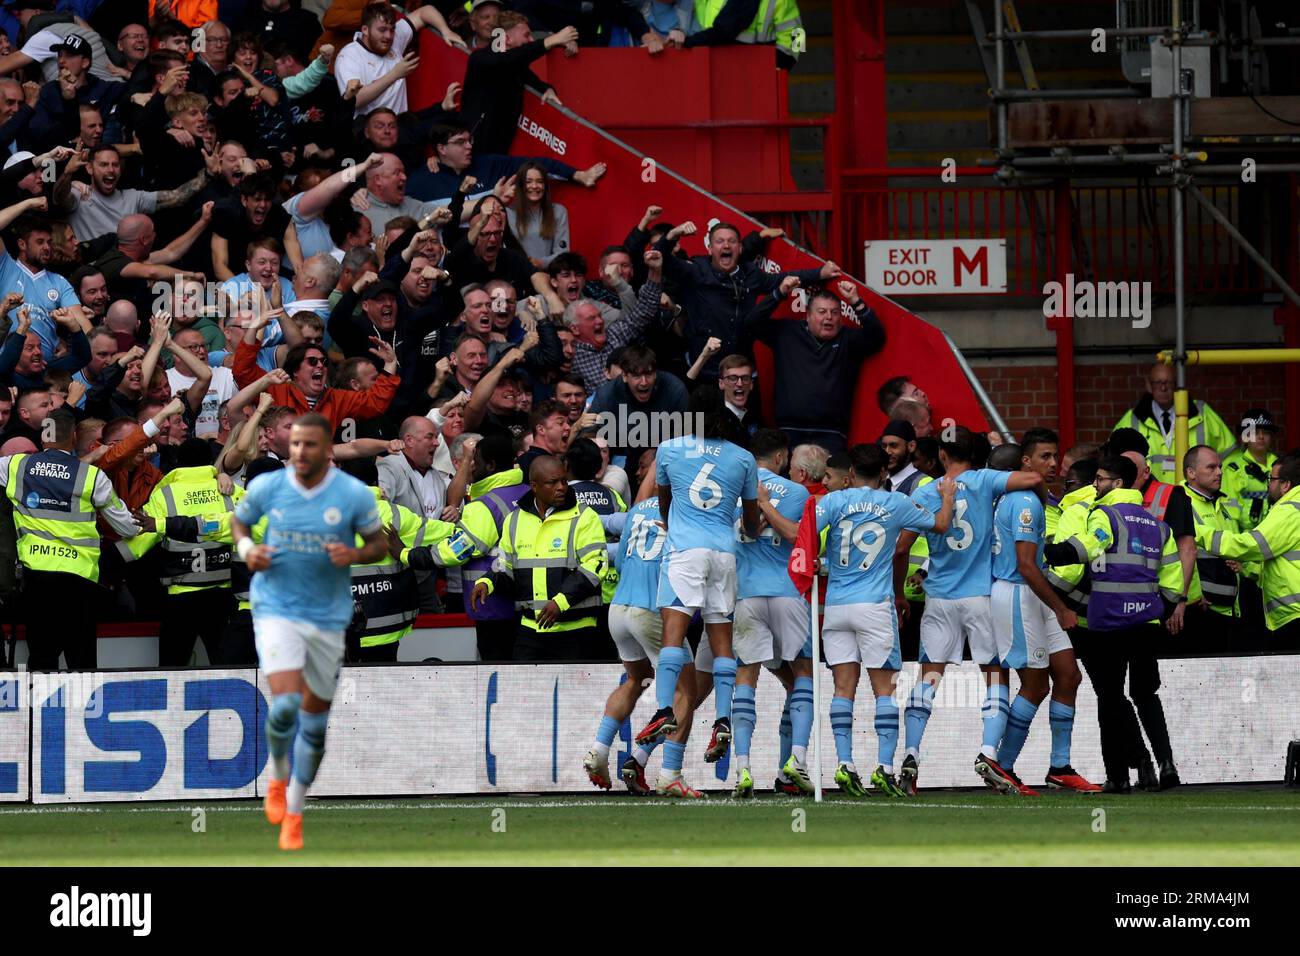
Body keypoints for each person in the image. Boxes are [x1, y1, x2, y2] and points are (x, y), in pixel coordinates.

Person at [233, 412, 387, 851]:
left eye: (309, 445)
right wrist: (248, 549)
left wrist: (353, 554)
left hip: (327, 614)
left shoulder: (352, 494)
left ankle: (295, 812)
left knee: (315, 726)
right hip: (277, 608)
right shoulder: (268, 486)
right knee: (284, 707)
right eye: (295, 445)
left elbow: (379, 544)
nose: (300, 452)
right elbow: (239, 523)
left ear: (327, 450)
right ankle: (279, 778)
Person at [893, 425, 1043, 793]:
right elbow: (1034, 476)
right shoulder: (985, 480)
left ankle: (911, 754)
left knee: (929, 677)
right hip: (980, 598)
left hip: (940, 599)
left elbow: (900, 548)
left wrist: (898, 593)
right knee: (994, 676)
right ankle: (988, 752)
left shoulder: (928, 492)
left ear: (941, 456)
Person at [813, 443, 954, 797]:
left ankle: (844, 764)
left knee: (842, 688)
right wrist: (948, 496)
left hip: (837, 607)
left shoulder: (831, 502)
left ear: (849, 475)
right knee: (885, 689)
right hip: (875, 606)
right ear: (884, 473)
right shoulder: (896, 503)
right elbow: (940, 524)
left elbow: (804, 538)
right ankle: (884, 767)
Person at [634, 401, 759, 791]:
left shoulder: (671, 449)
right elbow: (752, 518)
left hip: (685, 550)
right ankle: (722, 718)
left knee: (675, 632)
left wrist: (673, 526)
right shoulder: (743, 457)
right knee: (721, 640)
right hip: (723, 552)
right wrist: (748, 530)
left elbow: (664, 498)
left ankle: (664, 710)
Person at [1045, 455, 1184, 793]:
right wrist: (1156, 609)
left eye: (1102, 479)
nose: (1096, 484)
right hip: (1146, 622)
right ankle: (1167, 765)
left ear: (1118, 483)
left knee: (1110, 698)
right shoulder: (1157, 524)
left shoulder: (1104, 515)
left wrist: (1054, 553)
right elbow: (1173, 582)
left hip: (1108, 621)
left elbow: (1093, 544)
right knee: (1146, 694)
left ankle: (1118, 777)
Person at [987, 431, 1100, 794]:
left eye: (1056, 456)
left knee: (1068, 676)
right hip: (1020, 596)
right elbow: (1025, 565)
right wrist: (1061, 607)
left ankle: (1060, 767)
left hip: (1034, 595)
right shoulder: (1025, 502)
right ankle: (1002, 767)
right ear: (1025, 462)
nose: (1053, 464)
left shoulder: (1037, 499)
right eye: (1045, 457)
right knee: (1035, 685)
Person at [0, 407, 139, 669]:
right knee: (82, 659)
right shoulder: (92, 476)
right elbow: (128, 529)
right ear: (74, 438)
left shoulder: (15, 466)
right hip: (80, 580)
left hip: (37, 578)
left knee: (41, 659)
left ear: (43, 437)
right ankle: (83, 710)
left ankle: (41, 710)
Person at [728, 429, 817, 797]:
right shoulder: (797, 492)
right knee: (802, 676)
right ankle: (795, 760)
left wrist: (758, 506)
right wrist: (767, 507)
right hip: (787, 594)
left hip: (746, 595)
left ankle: (743, 769)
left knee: (746, 678)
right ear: (781, 458)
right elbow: (799, 535)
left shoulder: (734, 489)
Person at [653, 219, 834, 382]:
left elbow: (783, 279)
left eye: (732, 241)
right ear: (710, 248)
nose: (726, 245)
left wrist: (820, 273)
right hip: (704, 372)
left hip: (743, 374)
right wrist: (672, 234)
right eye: (720, 241)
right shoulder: (695, 271)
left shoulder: (751, 274)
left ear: (740, 248)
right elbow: (659, 258)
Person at [469, 454, 607, 661]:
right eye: (553, 482)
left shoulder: (585, 516)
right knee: (525, 692)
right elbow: (505, 564)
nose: (561, 487)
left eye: (564, 480)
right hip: (531, 629)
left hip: (577, 629)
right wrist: (487, 581)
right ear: (534, 486)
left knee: (575, 694)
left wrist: (560, 602)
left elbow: (596, 565)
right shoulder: (514, 520)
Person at [122, 437, 239, 666]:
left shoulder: (165, 494)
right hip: (221, 594)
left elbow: (143, 537)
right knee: (228, 667)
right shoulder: (230, 490)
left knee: (172, 668)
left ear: (179, 462)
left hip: (180, 596)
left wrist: (112, 559)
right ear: (209, 462)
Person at [586, 487, 668, 795]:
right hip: (650, 611)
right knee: (687, 690)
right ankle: (647, 762)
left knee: (637, 679)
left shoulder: (637, 511)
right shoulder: (686, 511)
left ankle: (600, 748)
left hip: (618, 609)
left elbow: (618, 561)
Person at [746, 280, 885, 454]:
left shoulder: (847, 339)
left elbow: (877, 336)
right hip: (789, 431)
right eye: (822, 312)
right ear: (808, 315)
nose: (829, 317)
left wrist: (855, 300)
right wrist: (779, 292)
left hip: (832, 434)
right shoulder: (786, 332)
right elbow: (752, 322)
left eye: (835, 313)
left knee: (831, 481)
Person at [1196, 453, 1300, 650]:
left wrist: (1197, 532)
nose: (1268, 485)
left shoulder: (1290, 510)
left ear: (1286, 485)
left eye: (1272, 479)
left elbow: (1251, 545)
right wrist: (1246, 567)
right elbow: (1284, 561)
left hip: (1295, 615)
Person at [458, 12, 575, 154]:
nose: (531, 40)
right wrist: (552, 40)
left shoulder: (514, 65)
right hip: (472, 150)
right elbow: (507, 60)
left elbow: (528, 76)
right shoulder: (481, 59)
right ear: (507, 38)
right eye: (526, 35)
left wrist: (546, 89)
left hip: (499, 151)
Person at [333, 1, 465, 117]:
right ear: (365, 30)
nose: (388, 36)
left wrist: (446, 31)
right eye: (382, 30)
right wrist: (395, 74)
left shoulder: (394, 38)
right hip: (369, 134)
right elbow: (355, 100)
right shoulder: (349, 56)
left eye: (392, 30)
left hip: (398, 129)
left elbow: (425, 11)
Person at [1111, 362, 1234, 484]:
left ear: (1177, 384)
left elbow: (1230, 456)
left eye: (1168, 382)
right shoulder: (1132, 419)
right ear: (1148, 385)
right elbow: (1113, 462)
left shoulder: (1203, 413)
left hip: (1194, 499)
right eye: (1158, 383)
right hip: (1148, 499)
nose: (1163, 388)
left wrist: (1218, 490)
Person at [376, 415, 447, 611]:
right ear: (409, 440)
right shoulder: (389, 466)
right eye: (430, 437)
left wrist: (452, 512)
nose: (436, 442)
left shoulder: (437, 477)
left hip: (427, 571)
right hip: (397, 570)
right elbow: (382, 510)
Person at [1180, 444, 1242, 650]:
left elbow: (1232, 549)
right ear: (1191, 473)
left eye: (1220, 467)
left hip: (1230, 608)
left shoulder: (1221, 504)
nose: (1219, 472)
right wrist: (1193, 596)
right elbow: (1180, 555)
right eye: (1211, 467)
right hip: (1201, 610)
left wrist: (1239, 562)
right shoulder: (1181, 503)